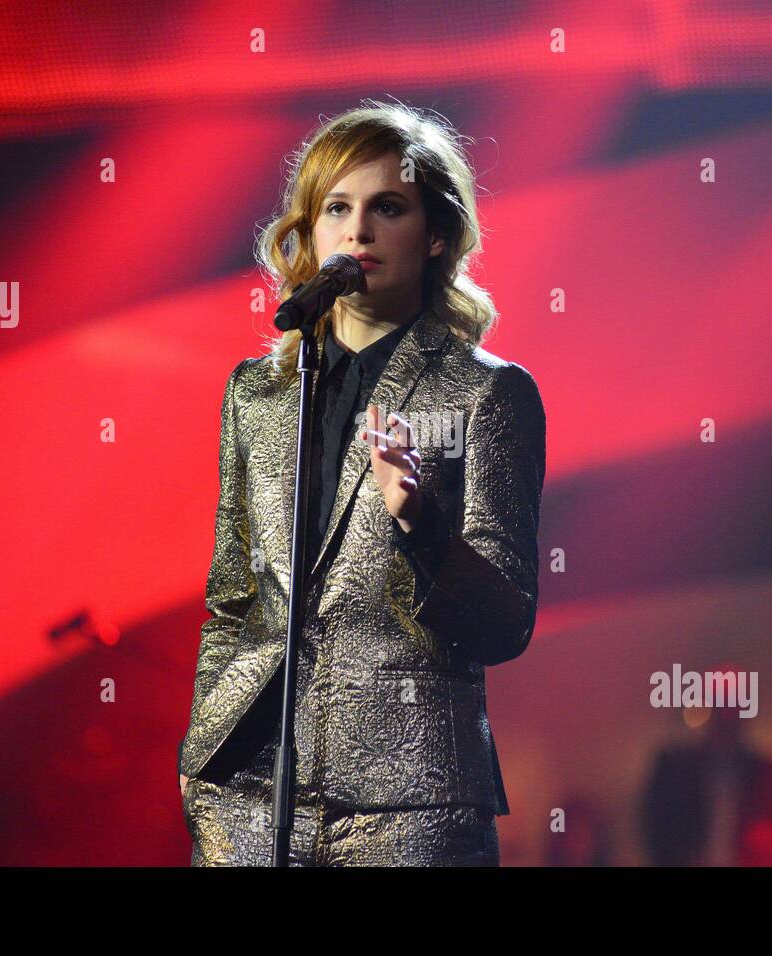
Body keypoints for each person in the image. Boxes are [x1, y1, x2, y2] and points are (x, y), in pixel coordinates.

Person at [177, 99, 546, 866]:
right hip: (247, 792)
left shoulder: (489, 394)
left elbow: (505, 621)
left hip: (410, 803)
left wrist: (422, 527)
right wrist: (199, 763)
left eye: (388, 207)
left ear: (437, 234)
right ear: (310, 234)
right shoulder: (257, 394)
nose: (358, 231)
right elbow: (231, 599)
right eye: (336, 208)